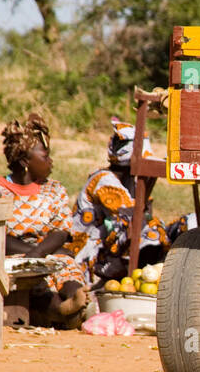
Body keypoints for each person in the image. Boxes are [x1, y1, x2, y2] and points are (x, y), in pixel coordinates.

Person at [0, 113, 88, 326]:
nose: (50, 161)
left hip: (45, 253)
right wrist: (33, 257)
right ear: (25, 161)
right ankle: (61, 311)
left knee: (65, 264)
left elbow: (60, 231)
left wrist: (39, 254)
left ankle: (75, 298)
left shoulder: (54, 190)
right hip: (12, 255)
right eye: (45, 156)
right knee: (35, 279)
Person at [71, 117, 178, 288]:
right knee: (151, 231)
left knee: (183, 225)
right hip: (90, 253)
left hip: (109, 247)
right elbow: (134, 218)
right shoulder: (104, 181)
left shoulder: (129, 182)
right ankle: (134, 280)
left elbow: (144, 210)